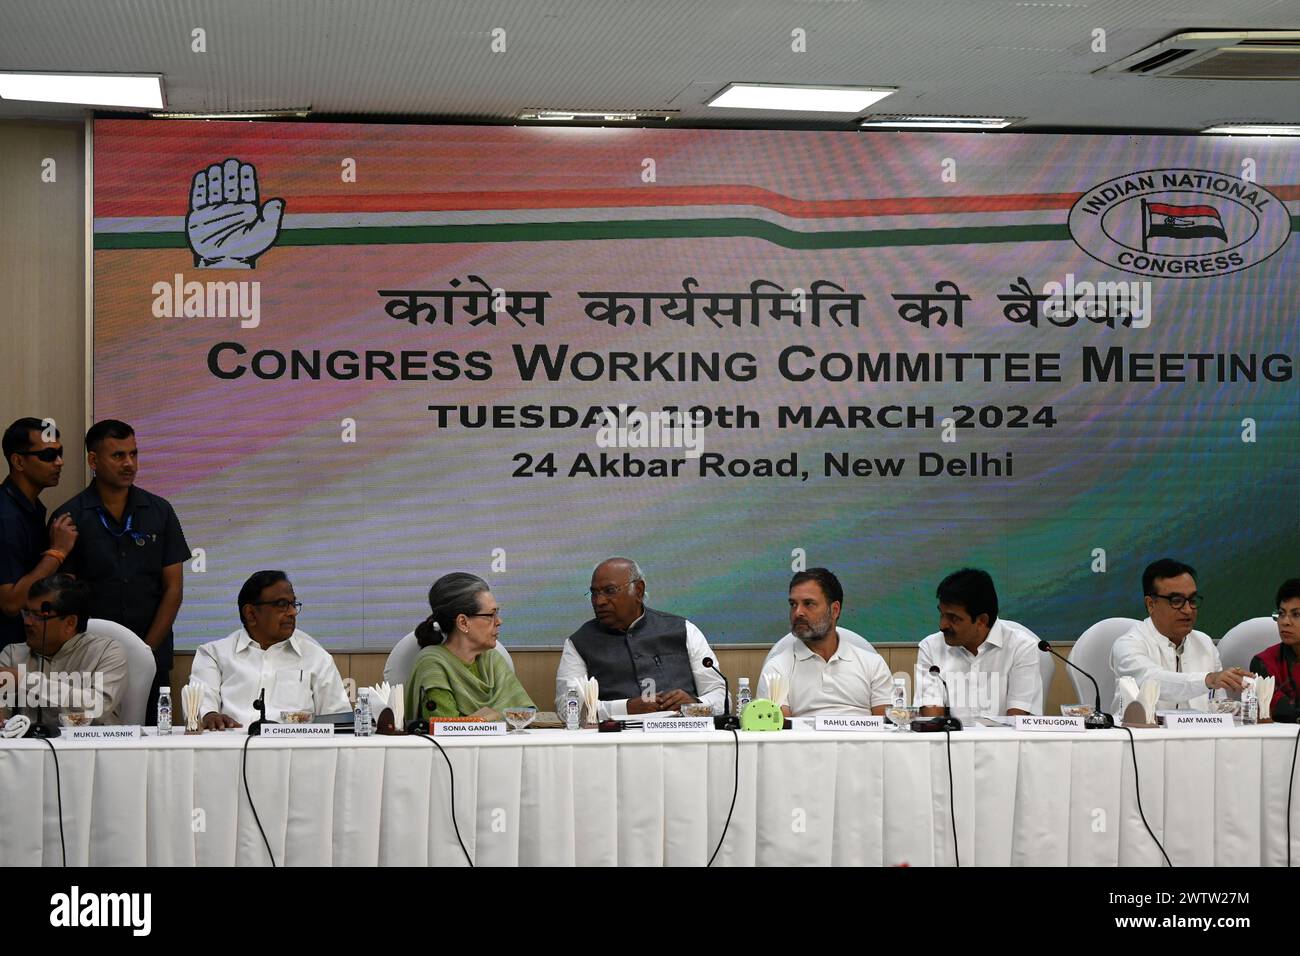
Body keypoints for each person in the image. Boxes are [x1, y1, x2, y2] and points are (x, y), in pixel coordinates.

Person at [52, 420, 189, 724]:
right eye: (118, 456)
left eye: (134, 454)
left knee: (153, 748)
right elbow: (66, 598)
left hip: (152, 655)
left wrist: (145, 651)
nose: (129, 464)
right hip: (90, 663)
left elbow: (173, 589)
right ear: (93, 460)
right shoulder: (70, 517)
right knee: (93, 746)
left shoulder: (159, 511)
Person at [555, 557, 725, 719]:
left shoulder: (684, 630)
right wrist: (625, 708)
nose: (599, 601)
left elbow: (721, 695)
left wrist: (695, 704)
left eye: (609, 591)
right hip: (614, 740)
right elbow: (567, 708)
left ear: (638, 590)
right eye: (594, 593)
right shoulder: (579, 643)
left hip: (682, 735)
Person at [190, 570, 349, 728]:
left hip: (295, 750)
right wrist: (209, 715)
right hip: (229, 748)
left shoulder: (317, 658)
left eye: (293, 604)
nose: (292, 612)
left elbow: (338, 721)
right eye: (282, 605)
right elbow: (200, 704)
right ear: (251, 614)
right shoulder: (213, 655)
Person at [1110, 558, 1248, 713]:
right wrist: (1209, 679)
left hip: (1199, 735)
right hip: (1142, 735)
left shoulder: (1204, 643)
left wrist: (1249, 705)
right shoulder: (1128, 644)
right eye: (1176, 601)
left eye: (1192, 600)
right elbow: (1152, 680)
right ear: (1151, 604)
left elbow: (1218, 705)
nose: (1188, 610)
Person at [758, 568, 892, 717]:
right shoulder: (777, 669)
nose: (798, 612)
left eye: (808, 604)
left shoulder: (873, 664)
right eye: (793, 604)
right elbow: (780, 733)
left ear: (834, 610)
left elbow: (886, 729)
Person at [915, 568, 1043, 722]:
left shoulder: (1022, 648)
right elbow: (933, 722)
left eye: (953, 618)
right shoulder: (930, 647)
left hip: (1002, 744)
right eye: (941, 614)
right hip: (950, 744)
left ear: (982, 621)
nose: (942, 625)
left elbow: (1018, 723)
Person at [0, 575, 128, 726]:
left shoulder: (107, 652)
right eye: (26, 613)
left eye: (38, 616)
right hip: (31, 747)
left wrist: (24, 681)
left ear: (70, 623)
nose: (27, 622)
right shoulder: (12, 655)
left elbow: (97, 708)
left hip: (91, 747)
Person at [404, 572, 534, 721]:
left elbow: (523, 715)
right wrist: (494, 716)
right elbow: (445, 727)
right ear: (463, 622)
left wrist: (484, 718)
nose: (499, 621)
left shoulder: (492, 659)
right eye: (490, 615)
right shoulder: (432, 664)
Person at [0, 418, 78, 649]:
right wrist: (57, 553)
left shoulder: (31, 507)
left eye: (60, 453)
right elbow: (11, 602)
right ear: (18, 461)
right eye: (47, 455)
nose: (59, 462)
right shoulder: (6, 516)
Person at [1248, 578, 1300, 723]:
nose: (1285, 622)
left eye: (1296, 615)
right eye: (1281, 614)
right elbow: (1283, 711)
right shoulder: (1263, 663)